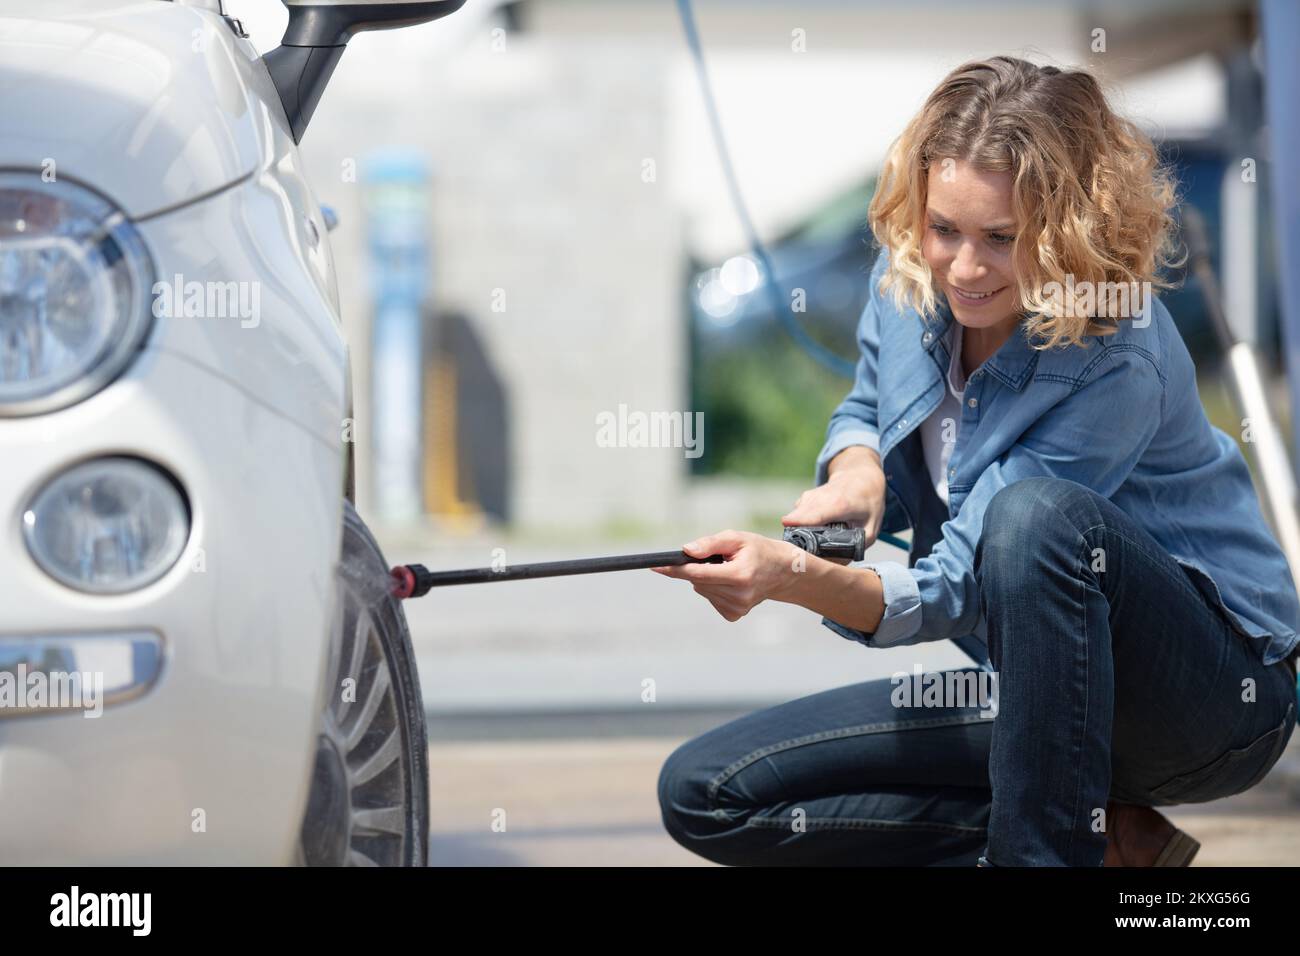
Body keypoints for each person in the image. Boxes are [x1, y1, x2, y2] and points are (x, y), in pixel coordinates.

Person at [651, 56, 1300, 866]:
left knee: (1034, 519)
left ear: (1069, 230)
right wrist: (859, 473)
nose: (962, 267)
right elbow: (865, 408)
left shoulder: (1118, 350)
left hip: (1207, 708)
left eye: (1001, 238)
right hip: (1043, 697)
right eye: (943, 228)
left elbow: (963, 581)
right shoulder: (909, 286)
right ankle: (1111, 845)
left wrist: (788, 577)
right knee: (708, 789)